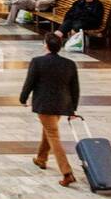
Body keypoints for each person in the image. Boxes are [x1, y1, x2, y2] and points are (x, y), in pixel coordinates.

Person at [19, 33, 80, 187]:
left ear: (46, 45)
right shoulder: (69, 64)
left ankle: (67, 172)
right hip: (61, 105)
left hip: (44, 105)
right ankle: (41, 158)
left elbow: (29, 82)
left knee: (53, 134)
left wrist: (23, 98)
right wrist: (73, 109)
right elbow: (75, 88)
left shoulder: (38, 62)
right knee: (50, 129)